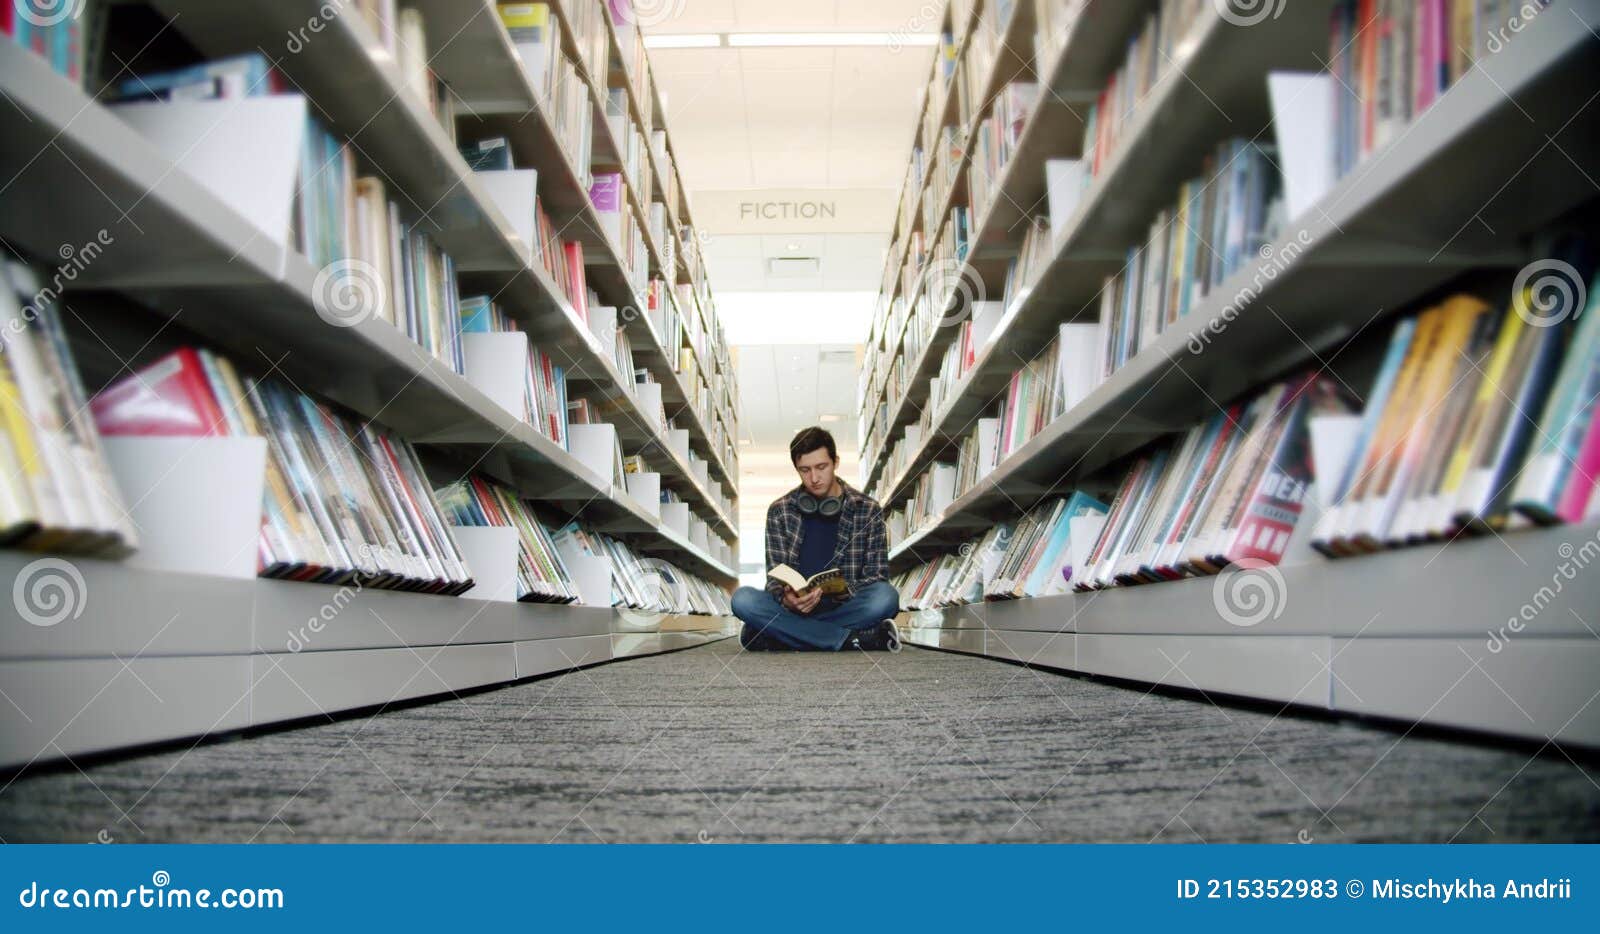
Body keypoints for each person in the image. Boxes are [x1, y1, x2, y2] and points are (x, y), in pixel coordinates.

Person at [730, 426, 901, 651]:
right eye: (805, 470)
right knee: (743, 600)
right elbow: (775, 578)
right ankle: (849, 639)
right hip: (795, 610)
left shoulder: (868, 509)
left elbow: (877, 576)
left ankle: (780, 634)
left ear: (835, 462)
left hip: (844, 607)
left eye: (821, 467)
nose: (814, 478)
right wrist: (786, 599)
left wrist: (841, 590)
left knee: (885, 597)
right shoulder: (780, 510)